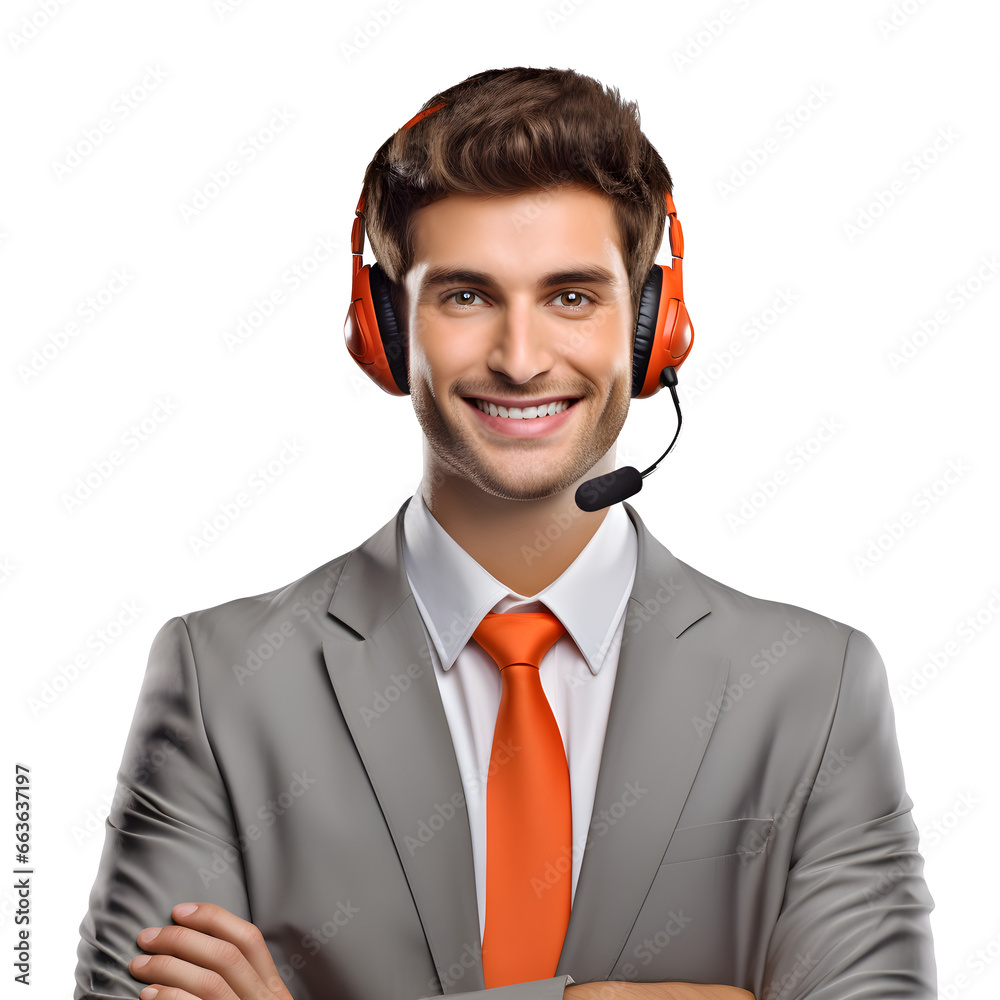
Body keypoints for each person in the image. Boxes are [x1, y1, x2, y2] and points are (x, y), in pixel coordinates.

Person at [74, 67, 937, 1000]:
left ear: (652, 327)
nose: (521, 360)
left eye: (572, 296)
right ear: (386, 326)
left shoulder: (817, 691)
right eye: (466, 296)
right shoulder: (220, 680)